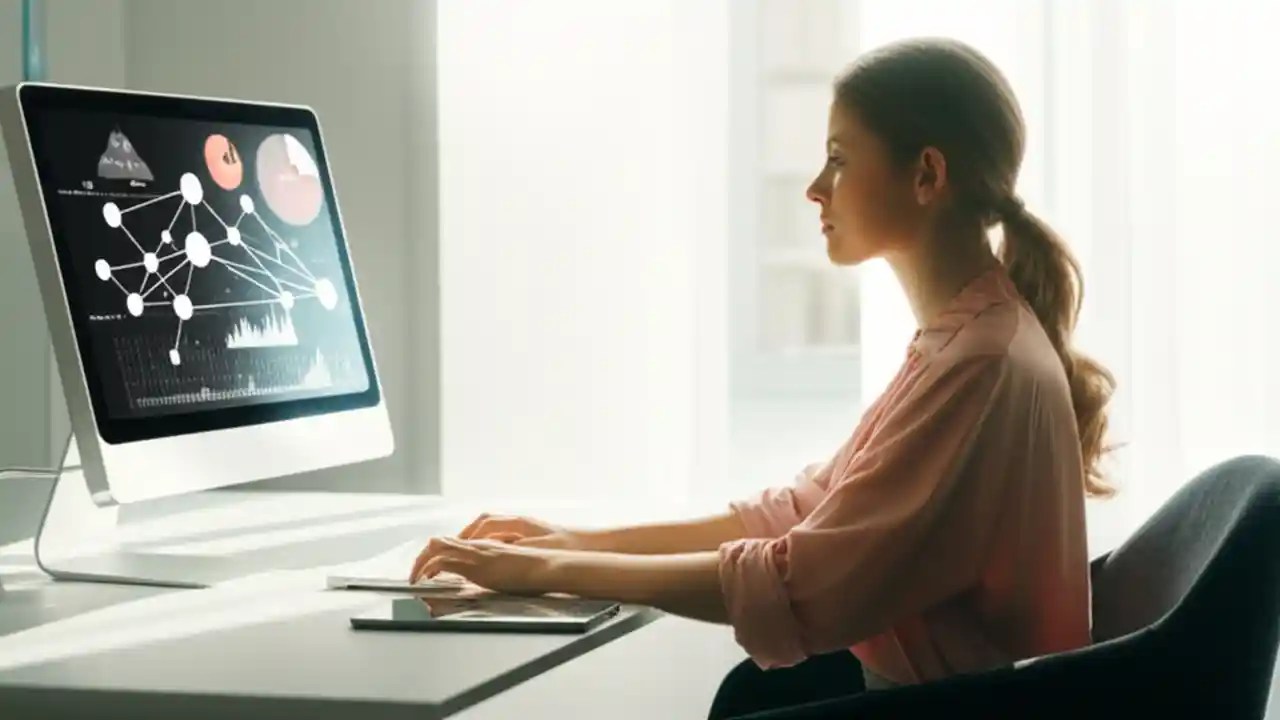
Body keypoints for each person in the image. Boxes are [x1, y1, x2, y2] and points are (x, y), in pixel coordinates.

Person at [408, 37, 1117, 719]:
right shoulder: (969, 337)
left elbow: (803, 581)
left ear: (927, 175)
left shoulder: (981, 361)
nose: (815, 189)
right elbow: (800, 513)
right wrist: (568, 541)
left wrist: (541, 573)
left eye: (839, 158)